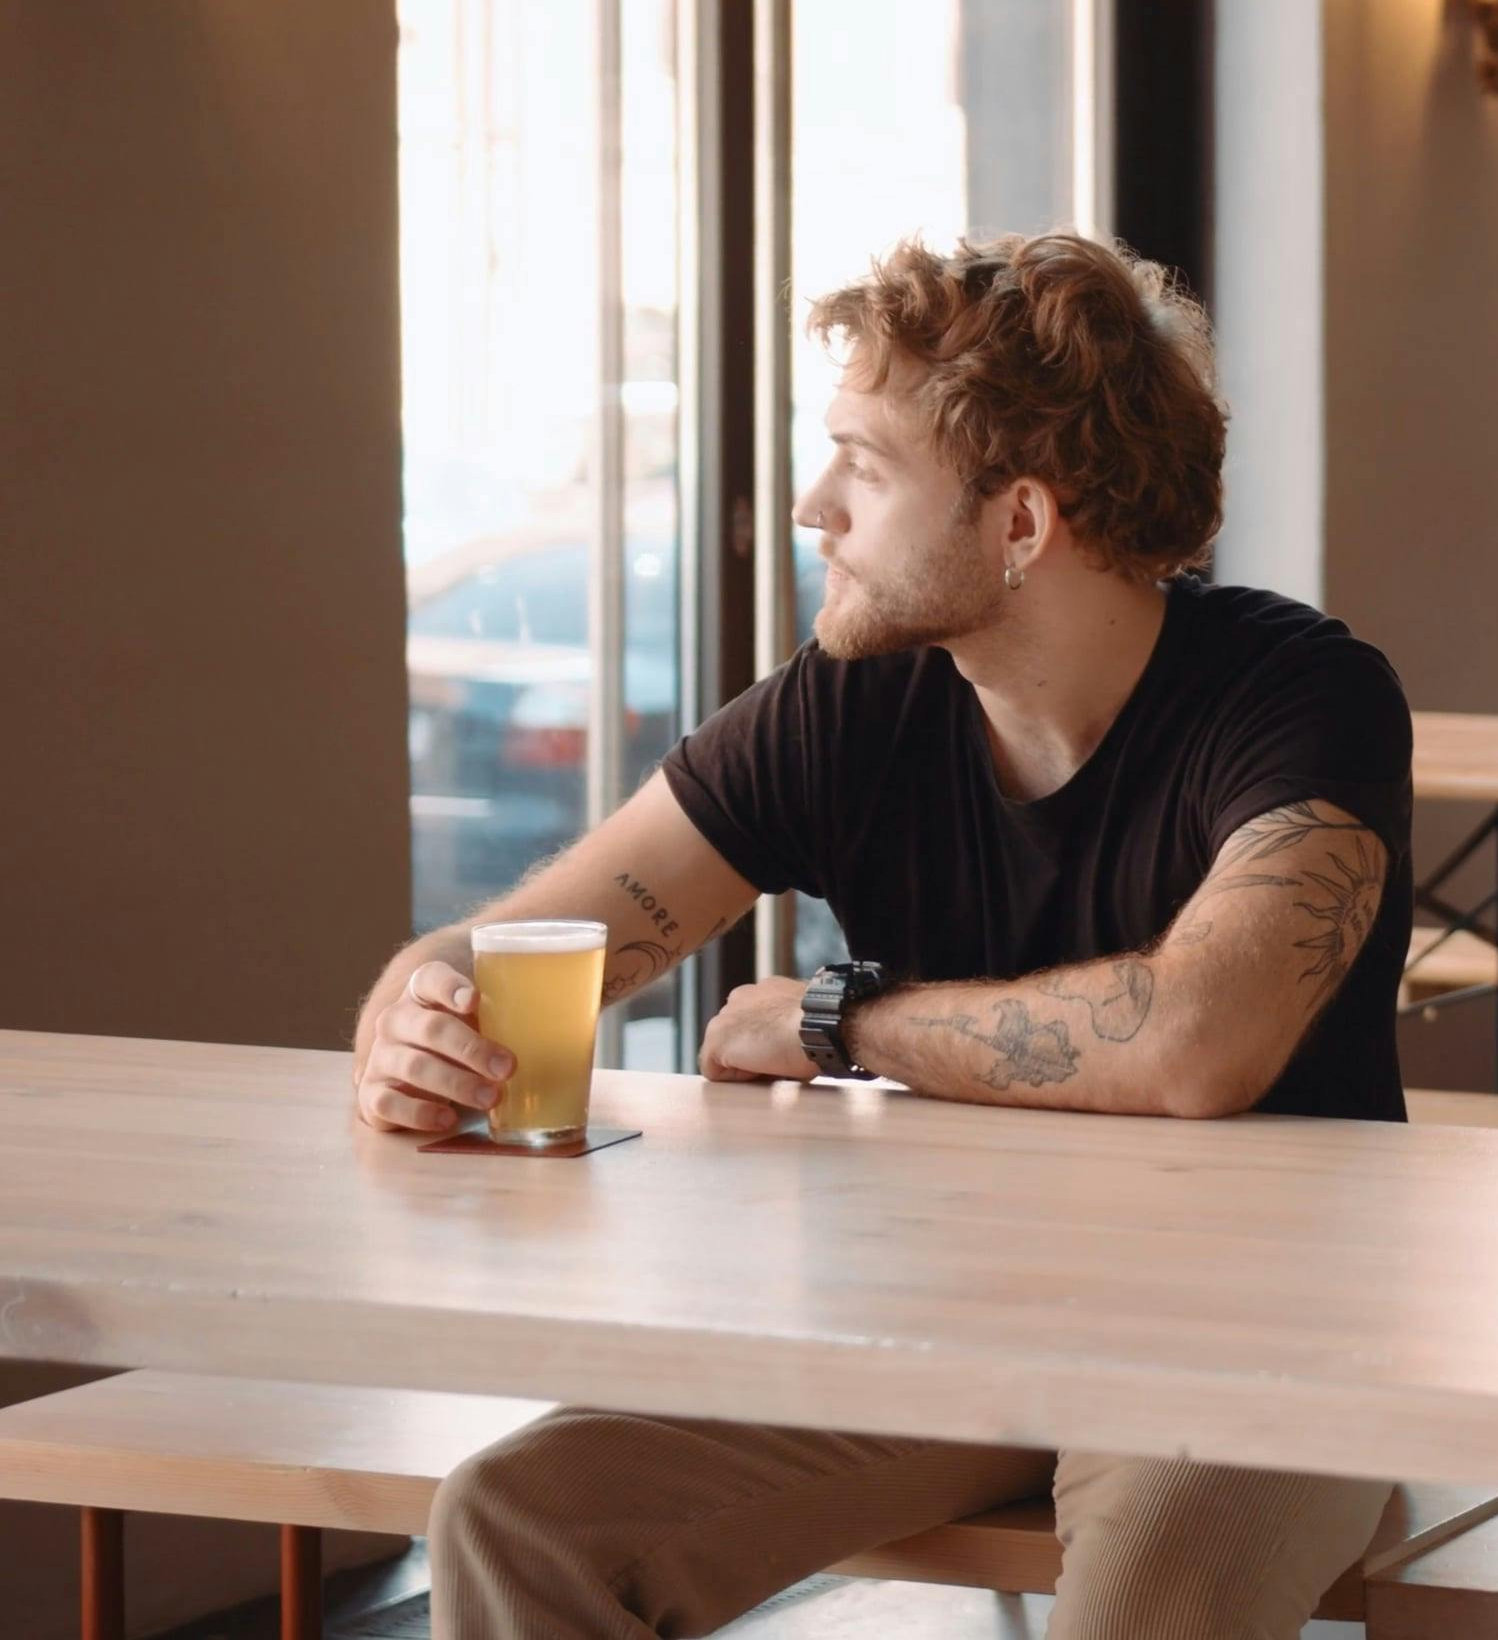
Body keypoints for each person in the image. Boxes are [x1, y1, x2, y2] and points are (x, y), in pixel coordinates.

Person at [346, 231, 1412, 1639]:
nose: (809, 506)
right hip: (943, 1322)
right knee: (516, 1520)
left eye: (866, 463)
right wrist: (414, 1020)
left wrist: (844, 1021)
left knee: (1141, 1609)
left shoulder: (1301, 695)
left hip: (1268, 1341)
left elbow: (1193, 1045)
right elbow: (507, 952)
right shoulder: (853, 705)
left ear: (1021, 523)